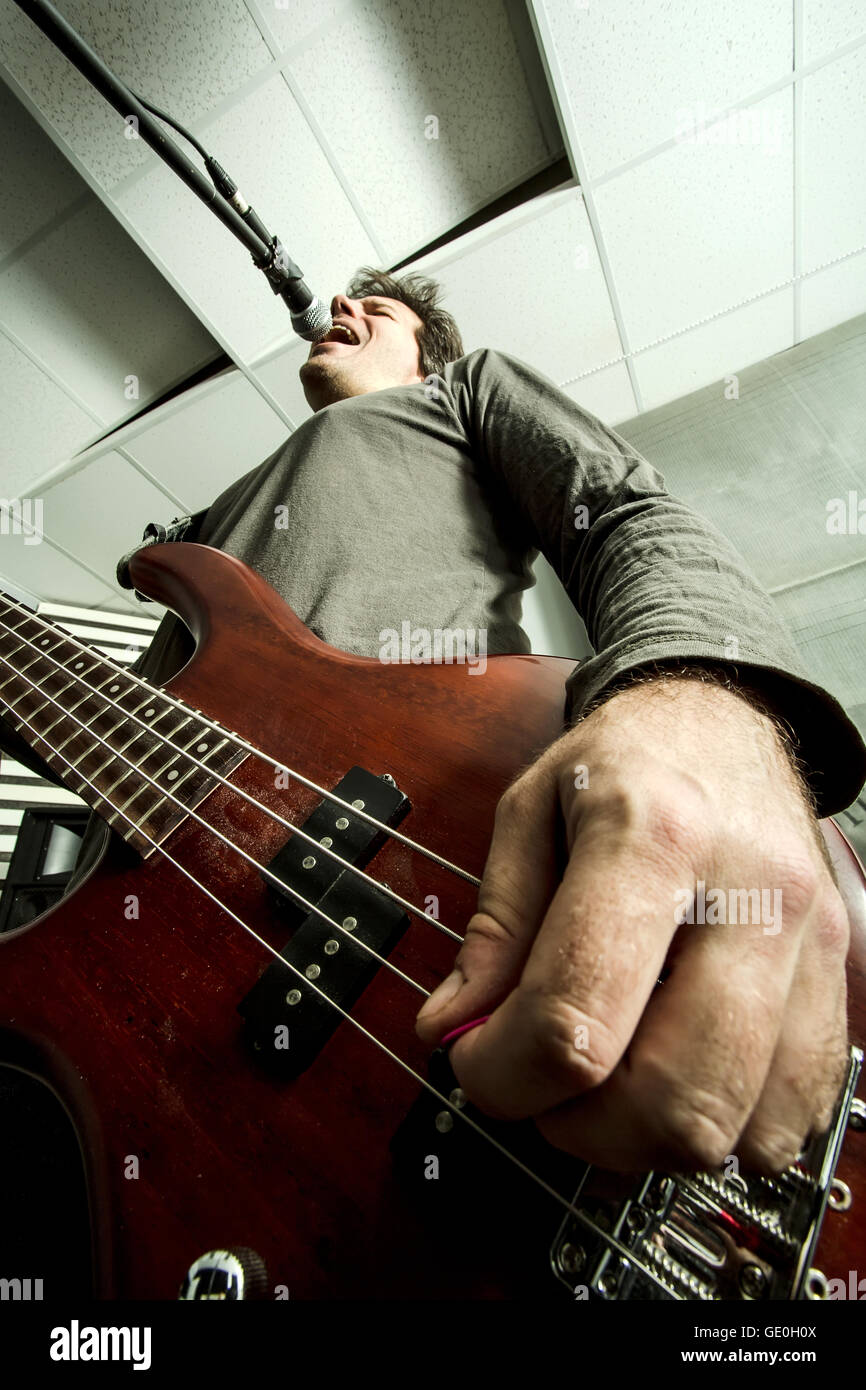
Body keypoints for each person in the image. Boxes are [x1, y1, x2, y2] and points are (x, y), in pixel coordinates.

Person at [3, 267, 864, 1178]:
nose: (341, 311)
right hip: (156, 963)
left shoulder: (464, 389)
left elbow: (622, 511)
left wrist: (706, 705)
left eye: (373, 310)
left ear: (428, 351)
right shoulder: (203, 532)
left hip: (429, 845)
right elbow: (95, 729)